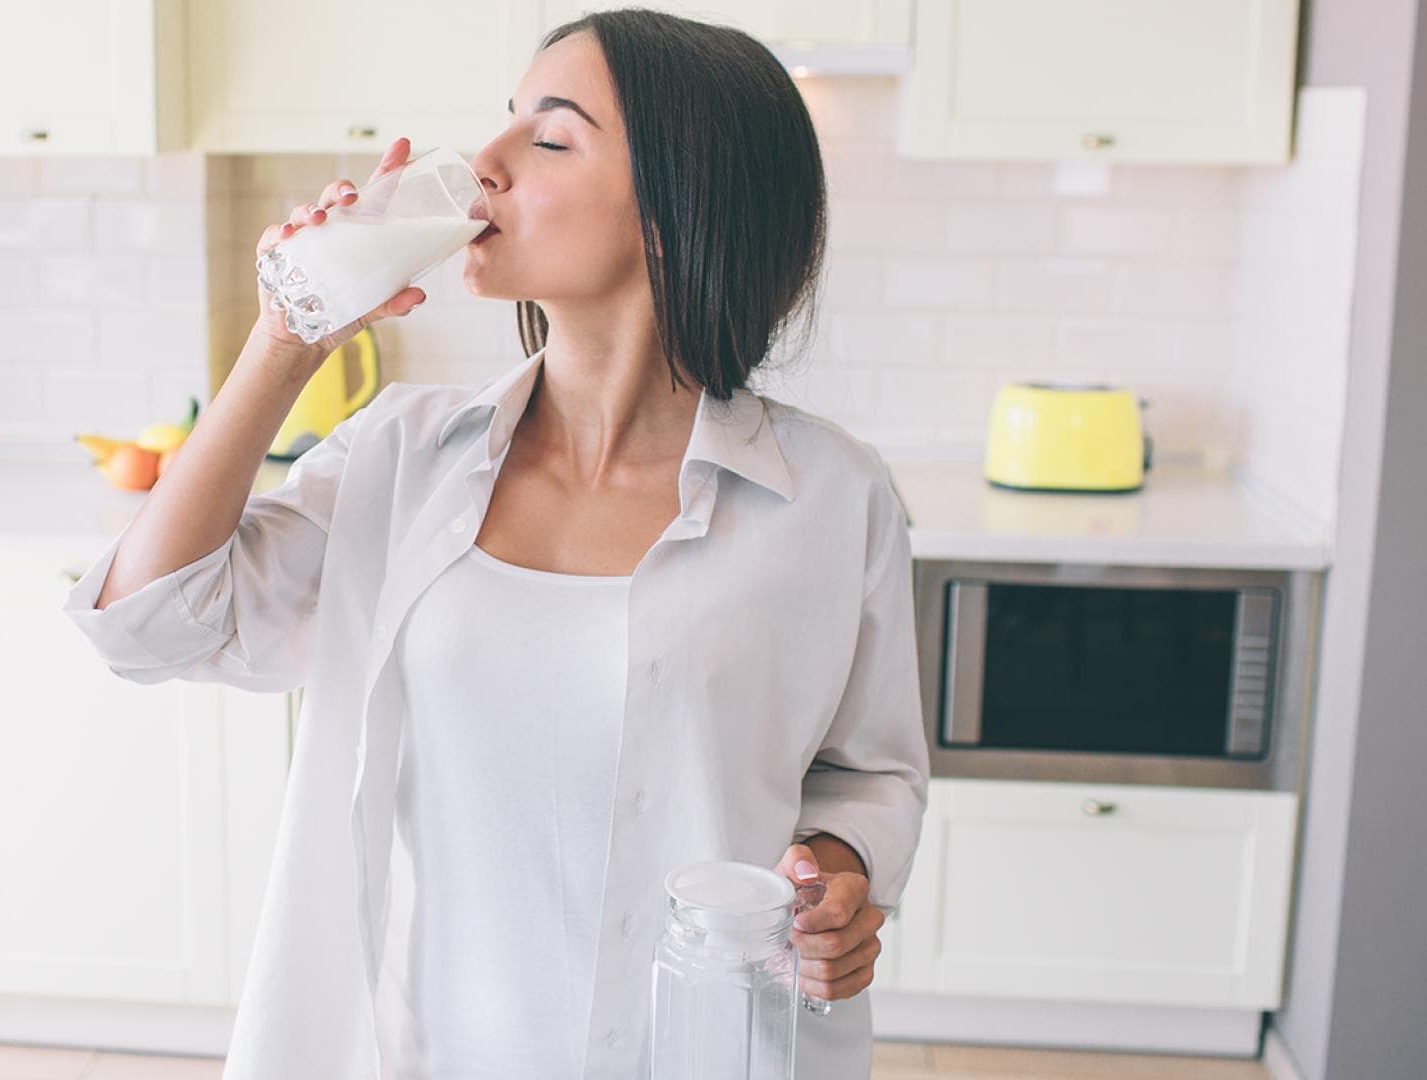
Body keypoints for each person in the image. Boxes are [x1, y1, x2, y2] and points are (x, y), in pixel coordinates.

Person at [63, 8, 929, 1078]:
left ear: (674, 206)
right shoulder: (401, 458)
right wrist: (284, 340)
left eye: (551, 137)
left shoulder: (831, 498)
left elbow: (870, 770)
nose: (486, 163)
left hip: (714, 1048)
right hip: (445, 1050)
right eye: (506, 121)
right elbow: (146, 628)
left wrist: (842, 877)